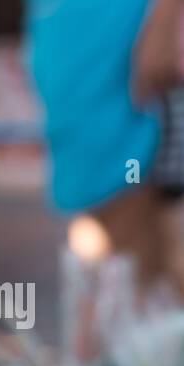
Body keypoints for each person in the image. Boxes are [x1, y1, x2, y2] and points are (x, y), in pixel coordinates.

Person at [28, 0, 184, 299]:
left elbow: (156, 64)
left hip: (123, 149)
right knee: (123, 278)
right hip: (99, 148)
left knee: (139, 273)